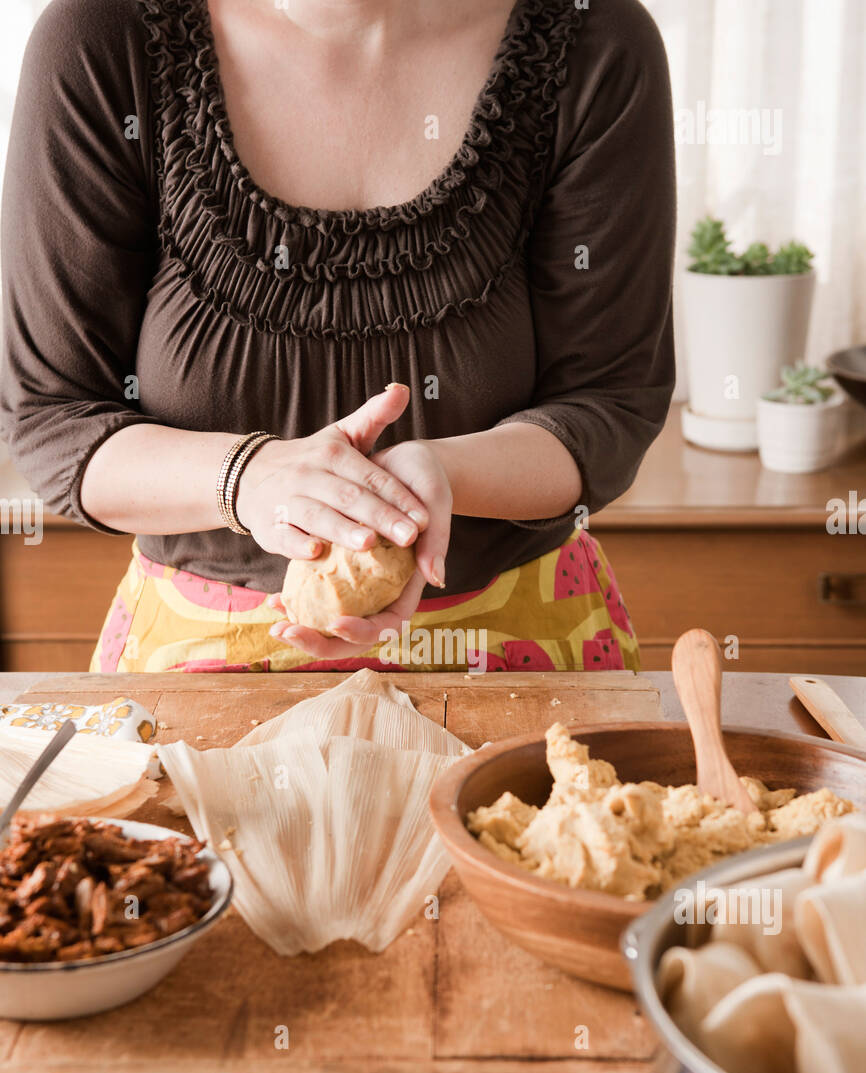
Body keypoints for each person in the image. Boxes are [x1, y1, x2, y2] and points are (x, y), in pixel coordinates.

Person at [0, 0, 675, 673]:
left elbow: (608, 402)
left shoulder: (596, 39)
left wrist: (437, 477)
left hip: (518, 655)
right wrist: (250, 478)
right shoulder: (102, 37)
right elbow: (52, 417)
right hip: (195, 668)